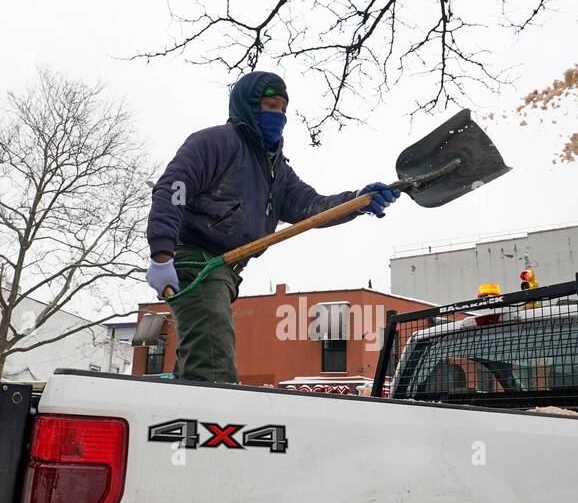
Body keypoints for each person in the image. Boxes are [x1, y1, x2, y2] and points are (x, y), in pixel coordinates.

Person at [145, 71, 399, 383]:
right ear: (247, 106)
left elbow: (312, 206)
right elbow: (172, 189)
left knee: (200, 357)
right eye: (269, 105)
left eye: (282, 109)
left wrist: (358, 201)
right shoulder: (216, 143)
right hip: (197, 263)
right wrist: (161, 254)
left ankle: (181, 423)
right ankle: (216, 423)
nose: (278, 115)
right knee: (213, 366)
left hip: (225, 270)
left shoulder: (276, 170)